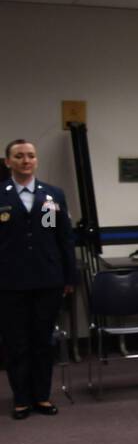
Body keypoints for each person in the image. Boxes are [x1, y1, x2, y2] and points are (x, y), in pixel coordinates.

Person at [0, 139, 76, 419]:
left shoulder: (52, 195)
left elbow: (63, 238)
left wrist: (69, 276)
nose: (25, 160)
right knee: (16, 342)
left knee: (43, 341)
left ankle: (42, 396)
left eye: (30, 156)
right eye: (19, 156)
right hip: (9, 283)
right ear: (8, 162)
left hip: (48, 280)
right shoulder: (1, 195)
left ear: (36, 160)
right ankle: (21, 398)